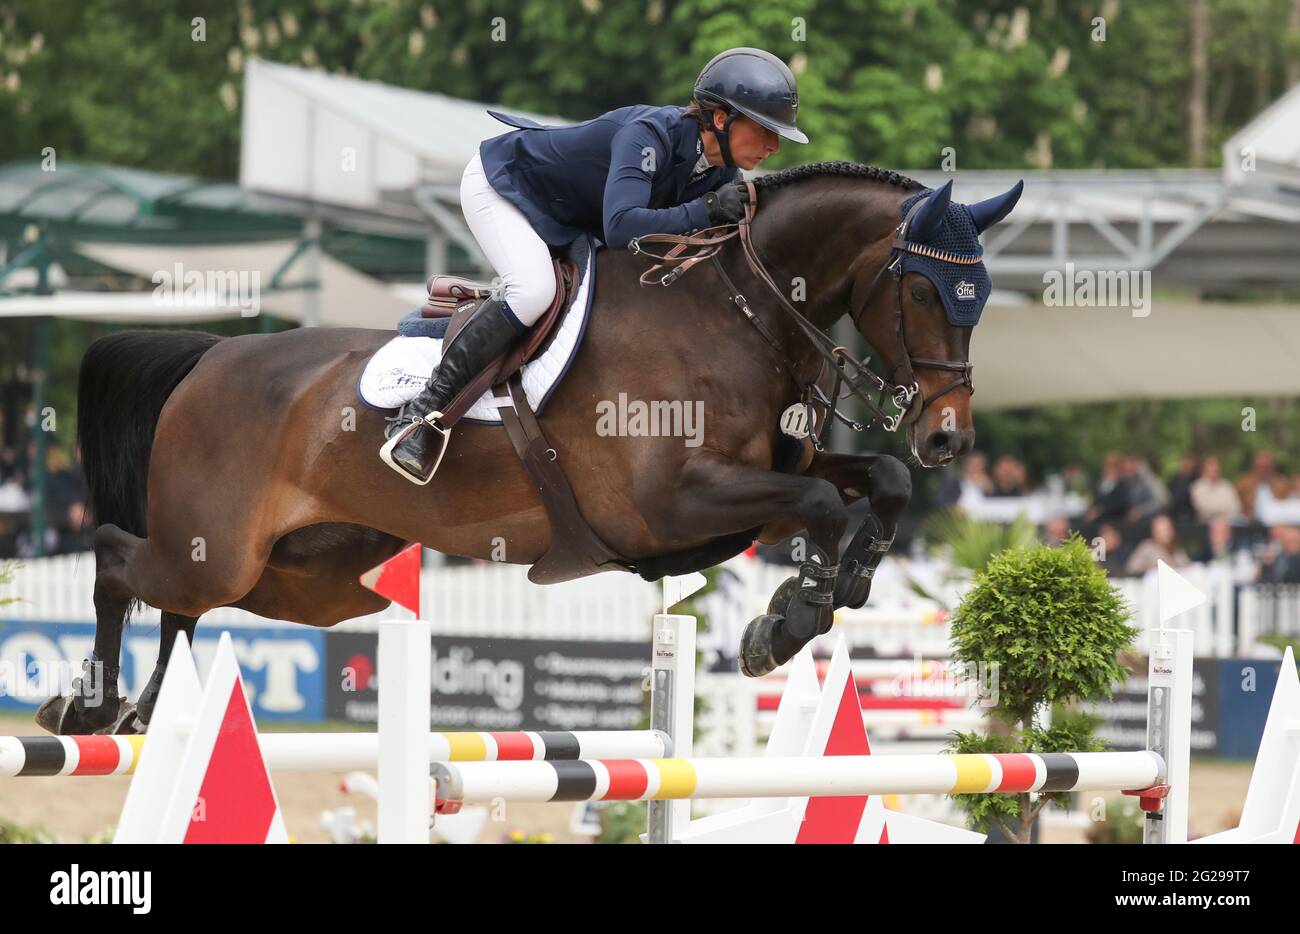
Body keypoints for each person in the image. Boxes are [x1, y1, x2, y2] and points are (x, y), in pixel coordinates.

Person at [381, 47, 808, 485]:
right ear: (721, 119)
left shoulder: (720, 175)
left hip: (572, 220)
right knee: (533, 290)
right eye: (763, 130)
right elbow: (623, 228)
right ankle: (421, 418)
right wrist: (707, 211)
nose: (774, 145)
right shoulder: (649, 135)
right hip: (507, 190)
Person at [1189, 455, 1242, 522]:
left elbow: (1236, 507)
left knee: (1240, 520)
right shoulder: (1197, 487)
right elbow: (1204, 509)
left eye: (1216, 469)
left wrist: (1218, 511)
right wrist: (1224, 508)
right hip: (1207, 521)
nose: (1214, 471)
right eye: (1212, 469)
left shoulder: (1227, 485)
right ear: (1204, 470)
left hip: (1229, 520)